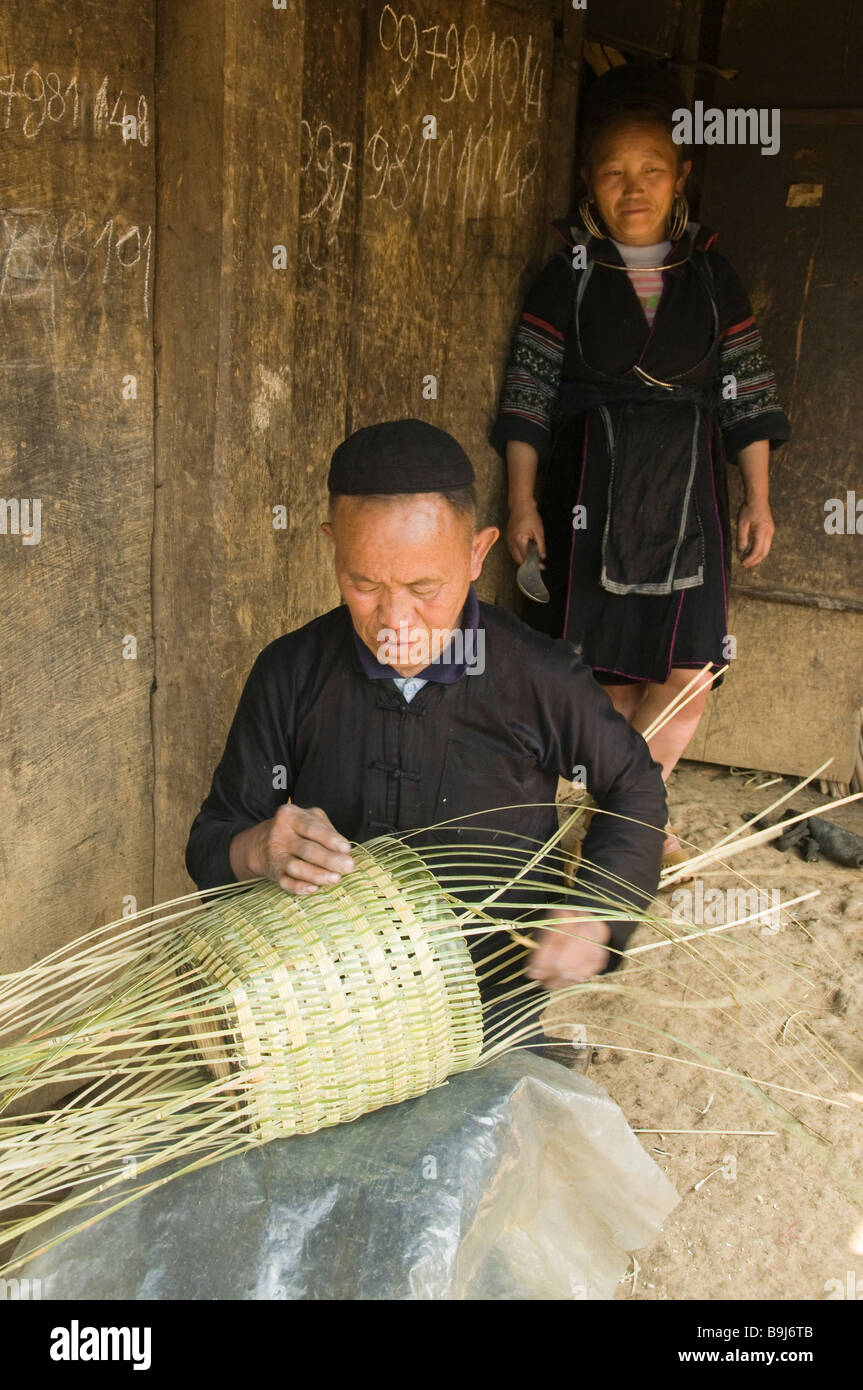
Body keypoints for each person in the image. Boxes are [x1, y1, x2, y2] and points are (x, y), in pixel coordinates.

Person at [186, 419, 667, 1045]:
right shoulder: (290, 672)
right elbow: (211, 843)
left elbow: (634, 788)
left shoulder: (536, 676)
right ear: (332, 546)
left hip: (487, 1002)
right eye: (363, 584)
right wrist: (258, 849)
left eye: (424, 588)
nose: (395, 620)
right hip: (331, 1009)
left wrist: (597, 915)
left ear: (477, 553)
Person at [491, 63, 791, 868]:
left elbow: (746, 395)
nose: (633, 189)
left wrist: (757, 498)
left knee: (688, 671)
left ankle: (633, 807)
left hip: (690, 494)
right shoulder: (567, 277)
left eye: (651, 171)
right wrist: (522, 504)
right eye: (614, 173)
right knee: (607, 677)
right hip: (594, 489)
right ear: (589, 181)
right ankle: (617, 824)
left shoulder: (712, 276)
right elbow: (528, 397)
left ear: (680, 177)